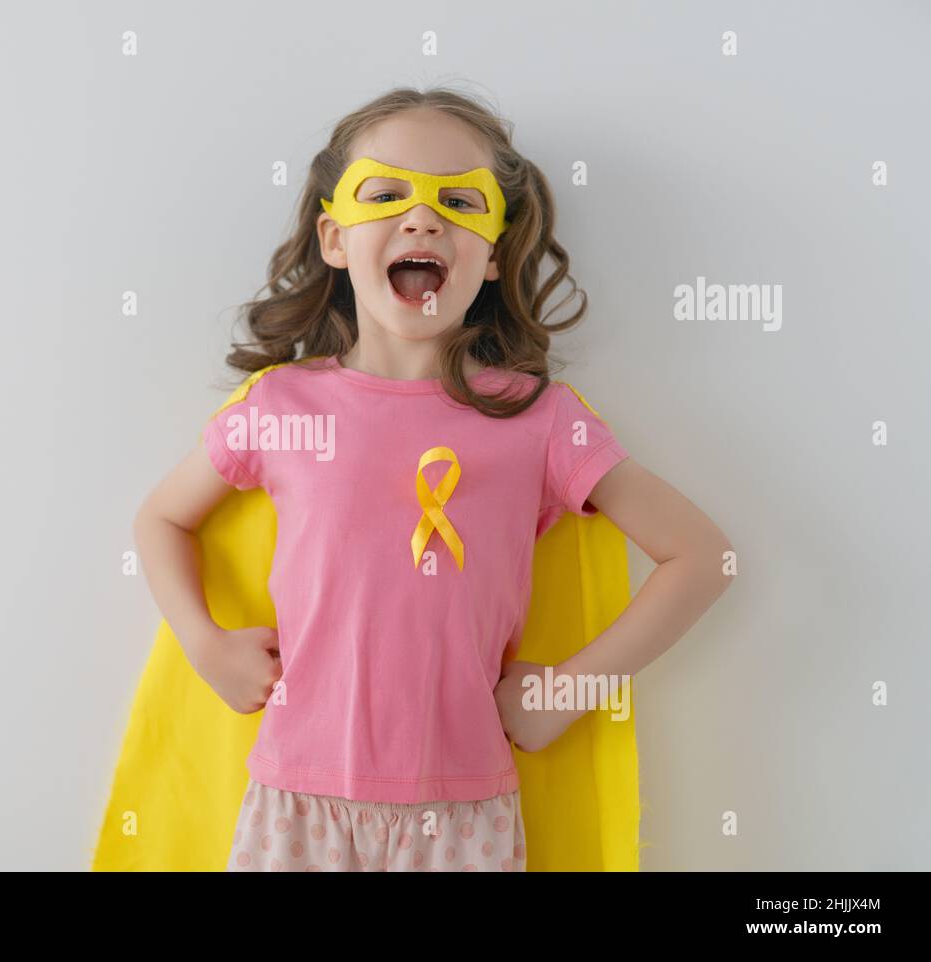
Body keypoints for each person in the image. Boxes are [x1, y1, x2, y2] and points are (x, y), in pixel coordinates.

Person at [131, 86, 734, 872]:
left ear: (491, 253)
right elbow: (160, 521)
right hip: (295, 807)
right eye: (386, 194)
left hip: (462, 821)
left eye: (458, 200)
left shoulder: (542, 422)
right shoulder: (280, 406)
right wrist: (206, 646)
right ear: (335, 237)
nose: (422, 219)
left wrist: (565, 693)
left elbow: (702, 558)